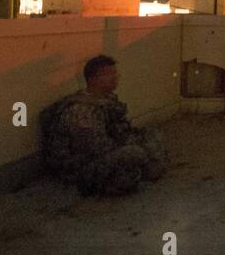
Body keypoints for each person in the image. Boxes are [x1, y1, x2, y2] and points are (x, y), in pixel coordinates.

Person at [43, 55, 168, 196]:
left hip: (104, 151)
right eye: (109, 74)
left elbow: (121, 130)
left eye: (115, 73)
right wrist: (132, 148)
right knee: (134, 155)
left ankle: (145, 167)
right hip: (81, 166)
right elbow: (94, 149)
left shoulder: (105, 99)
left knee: (150, 133)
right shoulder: (82, 110)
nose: (115, 77)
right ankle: (144, 169)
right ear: (92, 79)